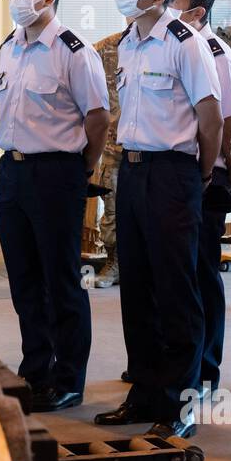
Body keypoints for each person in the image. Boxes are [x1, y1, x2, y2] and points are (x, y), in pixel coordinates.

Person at [92, 0, 221, 434]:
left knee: (176, 290)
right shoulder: (129, 43)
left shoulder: (184, 43)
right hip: (134, 169)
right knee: (138, 288)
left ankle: (179, 403)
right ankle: (145, 394)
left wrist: (200, 174)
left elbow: (210, 118)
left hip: (173, 172)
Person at [0, 0, 109, 413]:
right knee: (24, 282)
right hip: (13, 173)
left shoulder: (73, 51)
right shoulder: (9, 47)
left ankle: (68, 378)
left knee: (61, 281)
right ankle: (35, 370)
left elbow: (97, 117)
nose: (18, 0)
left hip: (57, 173)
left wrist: (81, 169)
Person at [174, 0, 231, 395]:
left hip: (207, 179)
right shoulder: (172, 44)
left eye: (174, 0)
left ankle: (205, 368)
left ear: (197, 11)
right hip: (178, 178)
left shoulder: (215, 52)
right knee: (177, 277)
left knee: (202, 275)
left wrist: (227, 174)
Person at [89, 26, 126, 289]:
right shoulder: (104, 49)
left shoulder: (171, 46)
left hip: (153, 150)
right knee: (111, 209)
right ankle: (114, 262)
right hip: (113, 147)